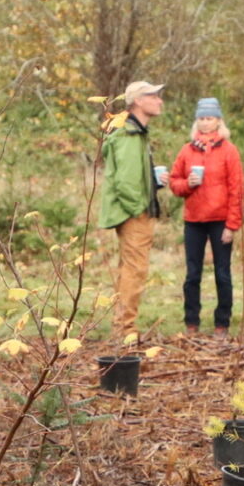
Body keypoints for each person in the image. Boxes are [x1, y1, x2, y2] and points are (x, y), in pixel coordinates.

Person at [166, 97, 244, 336]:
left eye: (209, 118)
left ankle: (222, 322)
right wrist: (187, 184)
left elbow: (237, 189)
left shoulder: (229, 151)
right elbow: (173, 181)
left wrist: (232, 225)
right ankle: (192, 321)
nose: (204, 122)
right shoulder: (187, 150)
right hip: (194, 220)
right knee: (192, 274)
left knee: (222, 273)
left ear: (218, 121)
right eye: (201, 118)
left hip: (221, 220)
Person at [96, 80, 164, 336]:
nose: (159, 101)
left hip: (136, 209)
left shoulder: (136, 132)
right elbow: (124, 182)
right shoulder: (128, 134)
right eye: (154, 96)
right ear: (138, 101)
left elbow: (132, 175)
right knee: (135, 270)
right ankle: (125, 330)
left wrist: (154, 182)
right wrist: (138, 209)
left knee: (130, 269)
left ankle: (122, 326)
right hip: (134, 213)